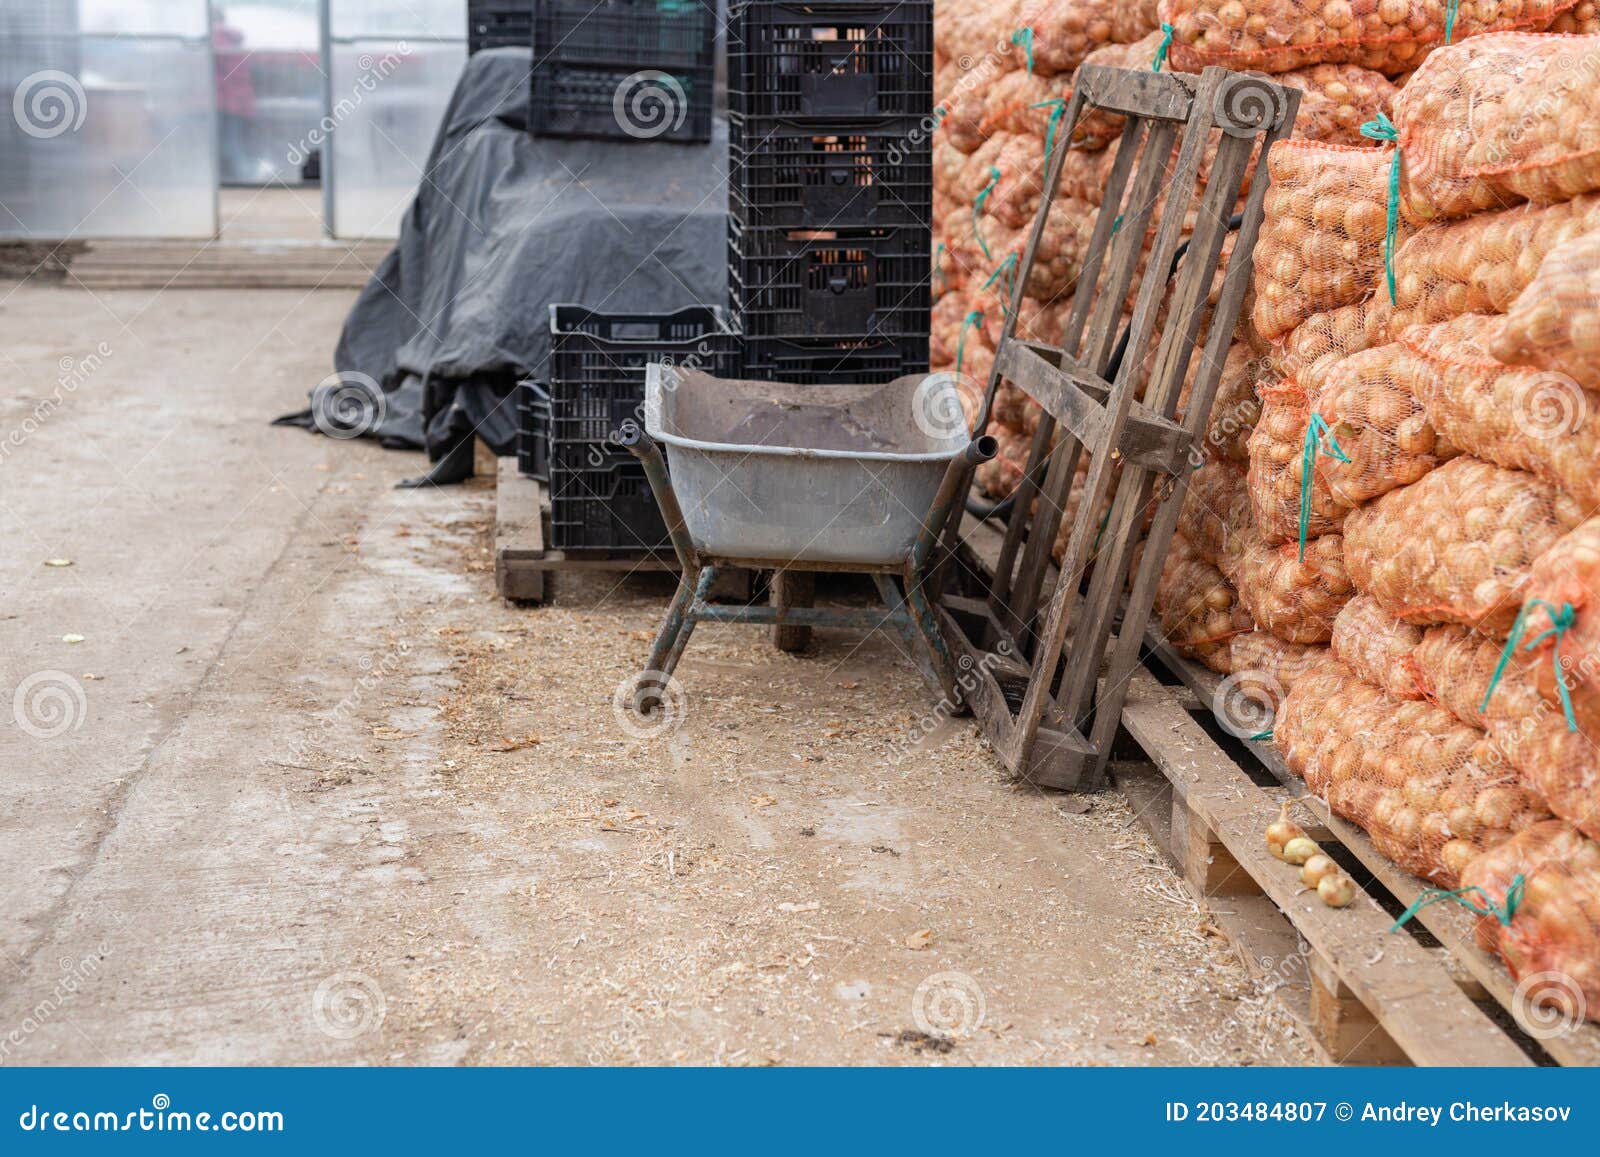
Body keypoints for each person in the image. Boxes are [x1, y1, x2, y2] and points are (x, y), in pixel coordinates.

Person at [212, 8, 257, 184]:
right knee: (234, 141)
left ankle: (243, 176)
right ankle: (244, 175)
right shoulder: (234, 39)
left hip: (225, 100)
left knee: (229, 143)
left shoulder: (215, 38)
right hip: (240, 101)